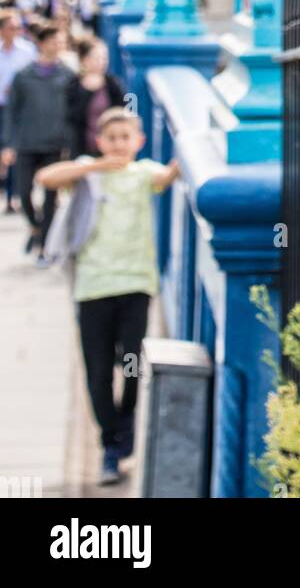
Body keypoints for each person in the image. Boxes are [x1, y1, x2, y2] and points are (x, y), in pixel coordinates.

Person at [37, 110, 179, 485]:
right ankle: (110, 443)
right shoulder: (88, 173)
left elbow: (170, 175)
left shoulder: (144, 173)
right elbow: (45, 178)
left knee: (132, 362)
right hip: (93, 287)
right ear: (100, 141)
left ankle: (127, 422)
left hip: (135, 284)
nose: (118, 144)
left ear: (139, 141)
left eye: (125, 137)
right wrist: (93, 167)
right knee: (98, 372)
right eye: (111, 137)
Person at [0, 24, 75, 260]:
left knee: (51, 197)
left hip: (54, 143)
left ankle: (43, 244)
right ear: (41, 44)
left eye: (61, 42)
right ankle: (35, 227)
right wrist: (8, 143)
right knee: (23, 193)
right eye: (54, 41)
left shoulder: (68, 75)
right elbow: (12, 111)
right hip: (26, 141)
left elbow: (74, 113)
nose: (58, 46)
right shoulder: (23, 76)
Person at [0, 10, 37, 213]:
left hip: (18, 109)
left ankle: (12, 195)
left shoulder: (27, 51)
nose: (16, 31)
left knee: (12, 149)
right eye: (11, 28)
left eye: (18, 28)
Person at [67, 39, 125, 158]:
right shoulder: (72, 86)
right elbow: (69, 118)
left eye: (104, 58)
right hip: (81, 150)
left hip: (110, 151)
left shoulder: (113, 84)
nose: (101, 62)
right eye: (96, 58)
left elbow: (129, 107)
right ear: (84, 60)